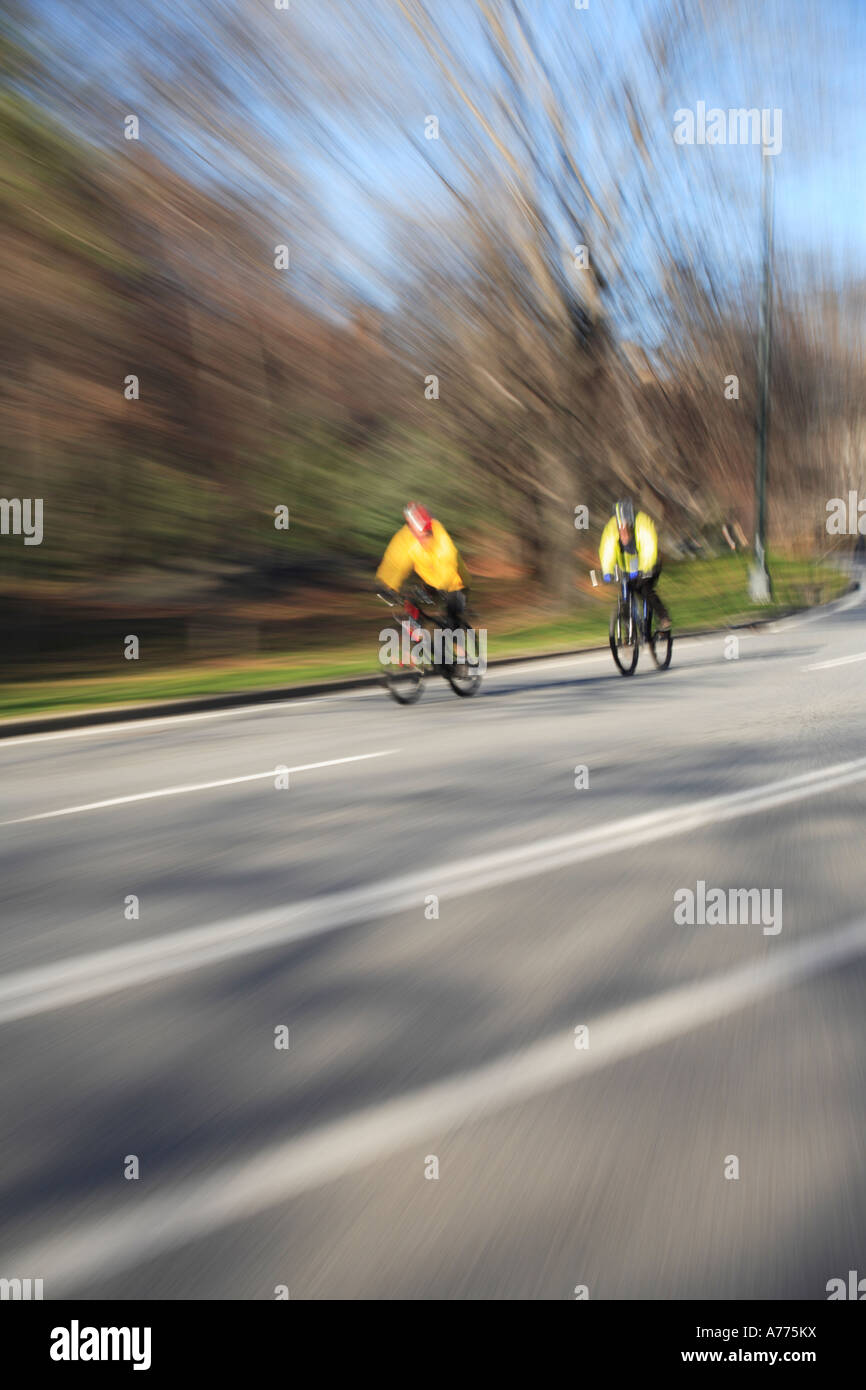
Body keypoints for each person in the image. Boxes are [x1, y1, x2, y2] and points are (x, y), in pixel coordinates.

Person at [376, 502, 469, 628]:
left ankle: (459, 646)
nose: (418, 538)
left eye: (423, 535)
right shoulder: (407, 536)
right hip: (428, 581)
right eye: (413, 531)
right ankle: (419, 636)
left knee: (452, 625)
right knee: (411, 606)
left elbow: (447, 567)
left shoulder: (442, 540)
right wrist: (387, 585)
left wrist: (436, 587)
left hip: (453, 582)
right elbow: (396, 560)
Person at [599, 497, 670, 631]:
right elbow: (607, 550)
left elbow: (649, 548)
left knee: (645, 589)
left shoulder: (643, 524)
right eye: (621, 531)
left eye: (626, 530)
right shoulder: (612, 528)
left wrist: (644, 569)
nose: (623, 534)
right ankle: (629, 632)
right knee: (626, 592)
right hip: (628, 567)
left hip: (650, 563)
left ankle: (663, 617)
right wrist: (607, 571)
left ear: (631, 525)